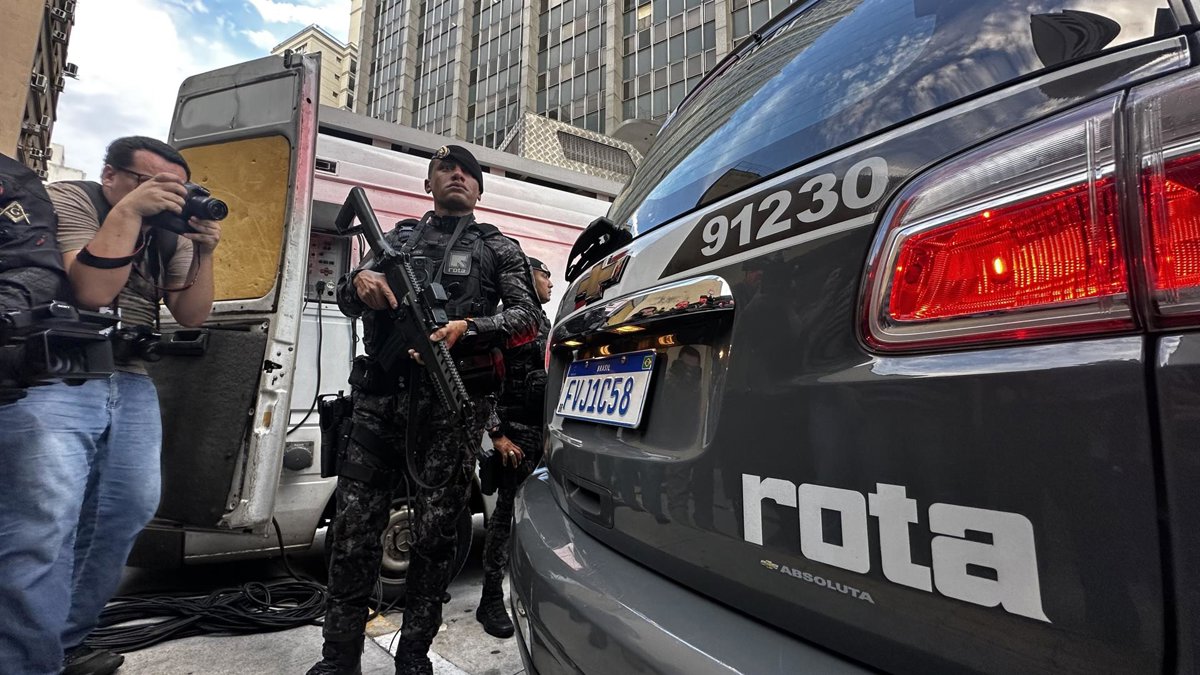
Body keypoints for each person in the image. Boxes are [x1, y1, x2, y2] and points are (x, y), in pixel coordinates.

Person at [310, 144, 541, 675]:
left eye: (469, 172)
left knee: (435, 541)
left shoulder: (497, 247)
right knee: (352, 535)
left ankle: (414, 655)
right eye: (446, 169)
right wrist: (359, 284)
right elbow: (346, 297)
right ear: (428, 184)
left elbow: (527, 317)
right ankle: (337, 658)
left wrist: (469, 328)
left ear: (479, 190)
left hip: (450, 411)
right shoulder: (396, 240)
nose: (457, 176)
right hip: (378, 406)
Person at [3, 136, 220, 675]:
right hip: (57, 372)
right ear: (110, 176)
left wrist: (205, 250)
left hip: (132, 376)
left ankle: (63, 644)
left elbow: (192, 315)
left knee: (125, 511)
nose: (168, 195)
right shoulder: (71, 199)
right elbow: (91, 291)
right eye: (153, 182)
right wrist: (128, 212)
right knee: (43, 524)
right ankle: (25, 662)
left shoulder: (168, 233)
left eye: (177, 187)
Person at [476, 256, 553, 639]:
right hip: (515, 437)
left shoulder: (545, 322)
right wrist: (496, 434)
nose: (550, 283)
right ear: (527, 276)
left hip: (544, 434)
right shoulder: (508, 320)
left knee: (542, 518)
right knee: (504, 519)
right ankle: (490, 599)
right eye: (545, 275)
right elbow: (485, 379)